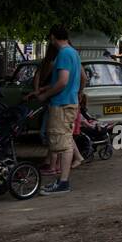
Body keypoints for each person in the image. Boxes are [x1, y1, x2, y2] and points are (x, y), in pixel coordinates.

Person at [35, 25, 82, 194]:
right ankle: (63, 180)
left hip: (61, 103)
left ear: (53, 37)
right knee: (65, 141)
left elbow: (62, 82)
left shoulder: (63, 54)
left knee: (63, 143)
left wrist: (45, 94)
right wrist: (47, 87)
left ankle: (63, 182)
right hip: (70, 101)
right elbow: (71, 80)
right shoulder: (73, 53)